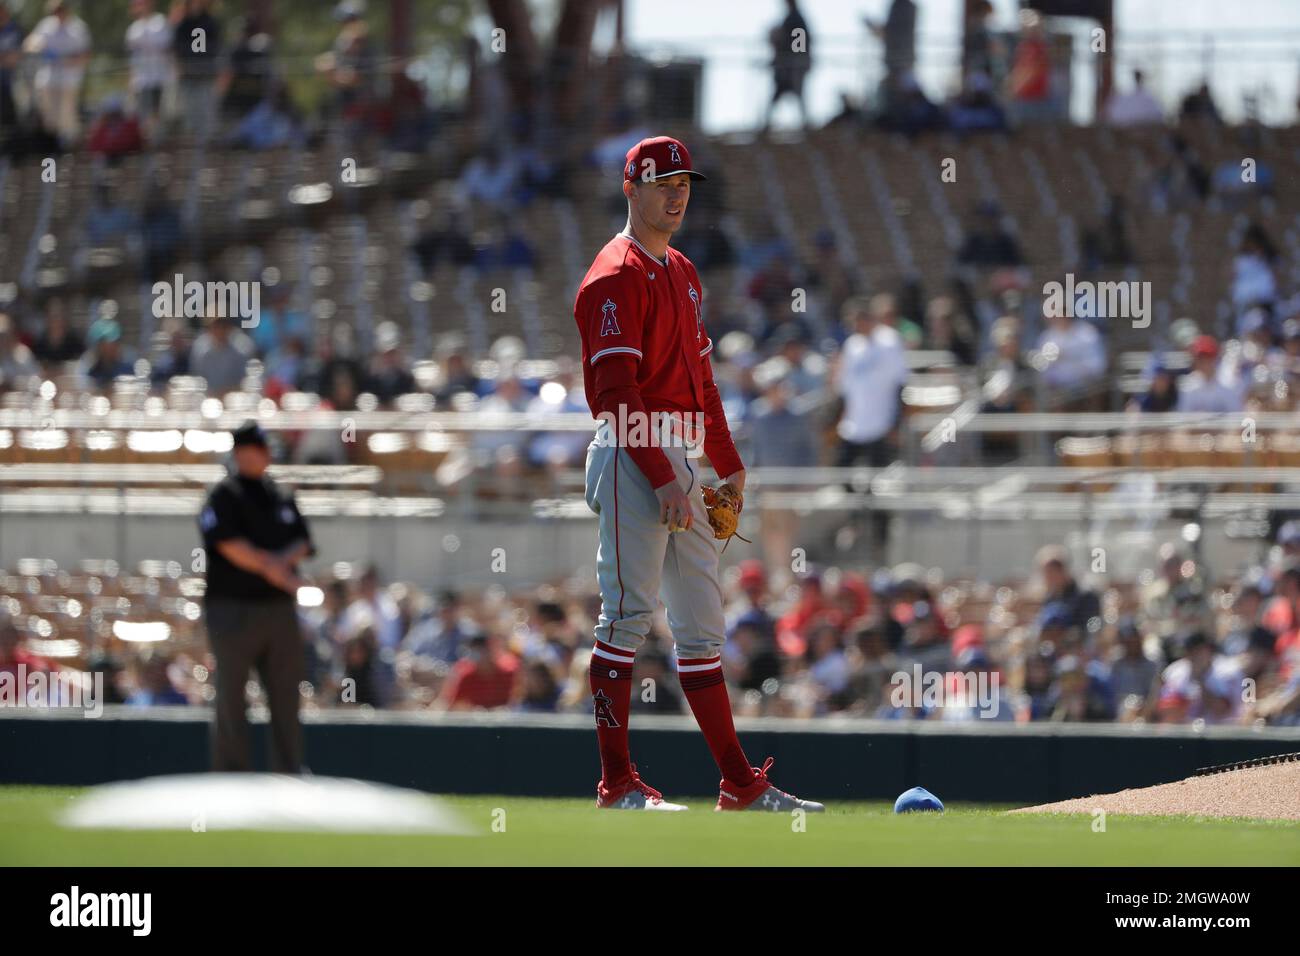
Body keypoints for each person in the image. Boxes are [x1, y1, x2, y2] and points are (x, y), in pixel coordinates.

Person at [573, 135, 822, 812]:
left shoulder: (681, 268)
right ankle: (616, 782)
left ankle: (740, 785)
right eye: (663, 183)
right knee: (624, 619)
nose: (677, 194)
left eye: (684, 183)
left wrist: (728, 462)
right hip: (634, 452)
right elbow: (619, 391)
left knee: (703, 630)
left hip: (678, 454)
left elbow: (703, 376)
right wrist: (660, 476)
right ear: (632, 187)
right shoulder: (613, 273)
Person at [198, 421, 315, 772]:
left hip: (277, 608)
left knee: (285, 694)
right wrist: (272, 568)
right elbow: (227, 544)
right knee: (231, 696)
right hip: (231, 608)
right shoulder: (224, 495)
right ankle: (231, 773)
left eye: (263, 449)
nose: (259, 456)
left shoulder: (280, 494)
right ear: (239, 452)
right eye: (252, 449)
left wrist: (279, 564)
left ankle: (288, 771)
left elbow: (304, 542)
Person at [23, 0, 91, 148]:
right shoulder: (46, 25)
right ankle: (54, 146)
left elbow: (85, 56)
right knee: (49, 118)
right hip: (48, 78)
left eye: (61, 10)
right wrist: (37, 46)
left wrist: (65, 60)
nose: (58, 13)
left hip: (69, 79)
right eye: (55, 10)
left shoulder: (78, 28)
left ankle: (71, 147)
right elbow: (29, 43)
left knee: (67, 116)